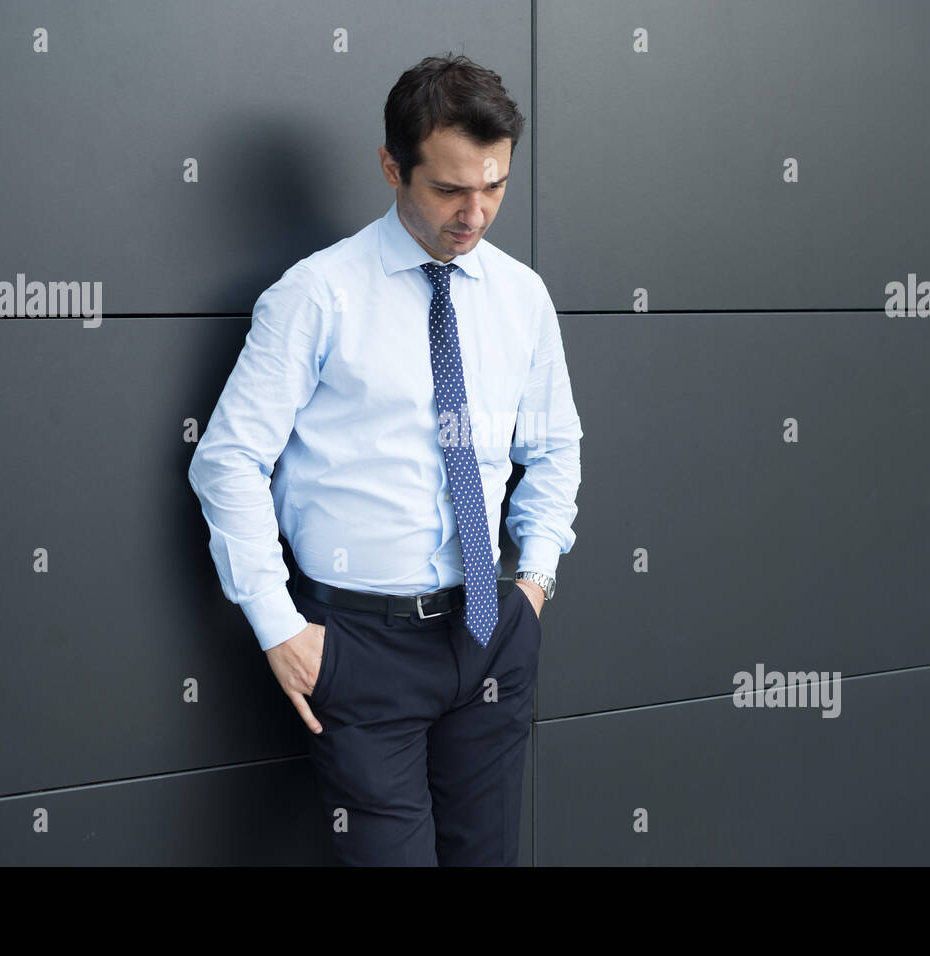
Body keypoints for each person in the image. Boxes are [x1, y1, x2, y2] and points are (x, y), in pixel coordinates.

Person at [188, 53, 582, 866]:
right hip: (359, 646)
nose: (474, 214)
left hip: (490, 632)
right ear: (391, 168)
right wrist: (277, 625)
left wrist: (534, 583)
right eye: (448, 189)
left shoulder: (522, 297)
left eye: (495, 185)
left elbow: (555, 445)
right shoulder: (316, 295)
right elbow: (226, 461)